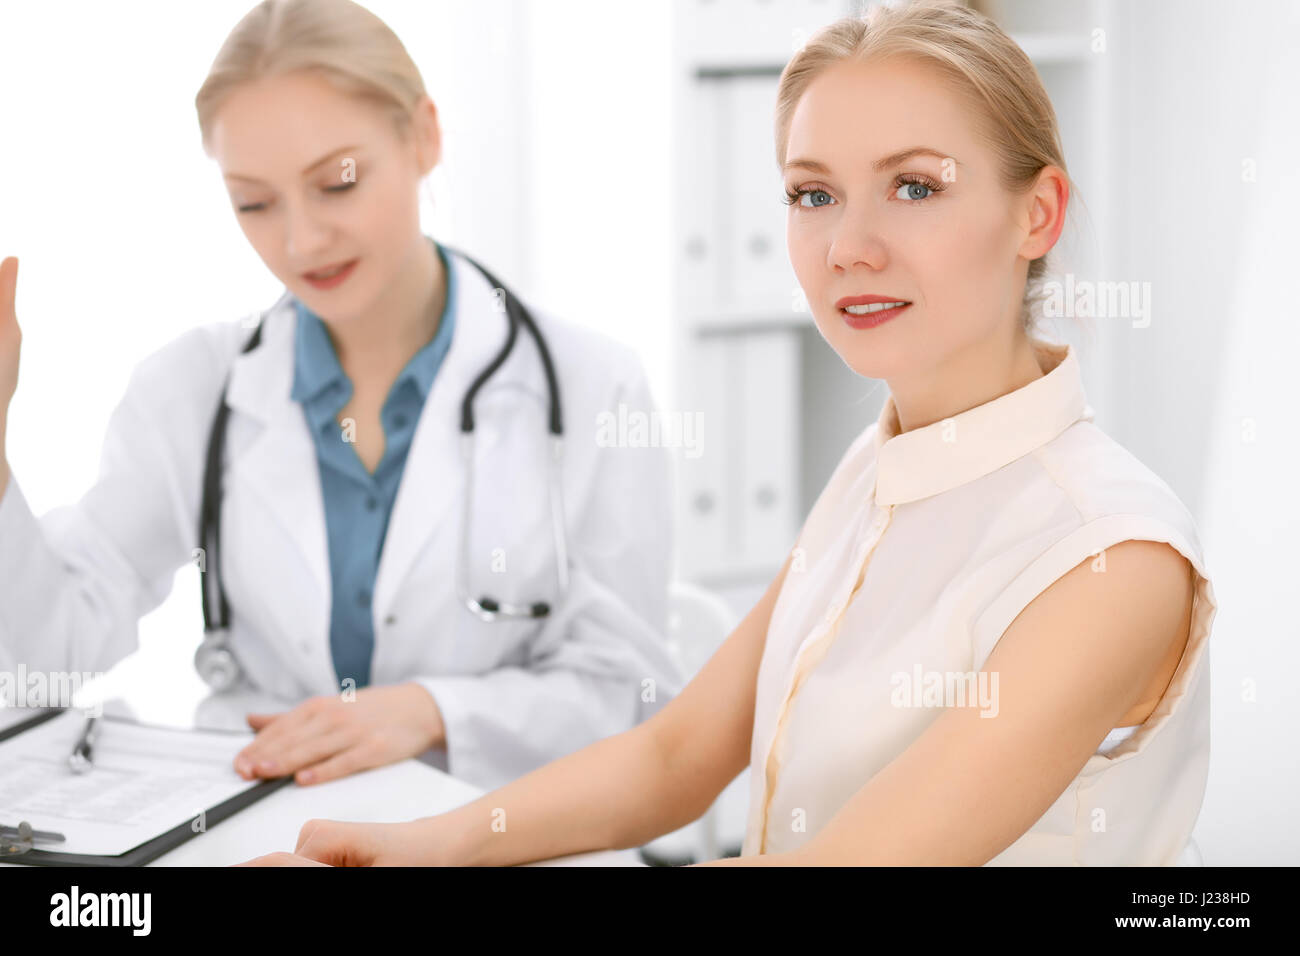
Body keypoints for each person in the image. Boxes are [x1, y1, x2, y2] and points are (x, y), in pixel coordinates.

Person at [241, 0, 1216, 866]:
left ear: (1034, 212)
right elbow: (674, 755)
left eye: (914, 186)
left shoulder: (1111, 556)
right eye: (812, 193)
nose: (848, 245)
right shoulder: (882, 467)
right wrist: (416, 848)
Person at [0, 0, 681, 794]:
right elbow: (39, 668)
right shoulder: (192, 389)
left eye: (336, 183)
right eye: (254, 202)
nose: (300, 240)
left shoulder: (593, 386)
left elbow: (631, 697)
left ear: (424, 136)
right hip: (267, 827)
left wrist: (432, 711)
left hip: (502, 831)